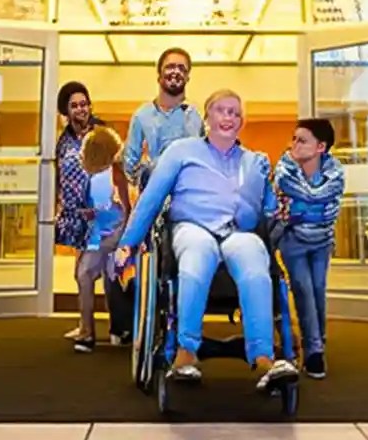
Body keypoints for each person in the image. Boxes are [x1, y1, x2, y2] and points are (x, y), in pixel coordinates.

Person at [118, 89, 300, 392]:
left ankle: (265, 359)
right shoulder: (182, 151)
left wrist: (283, 206)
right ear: (207, 118)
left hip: (237, 233)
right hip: (192, 226)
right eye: (221, 110)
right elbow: (151, 199)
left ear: (242, 122)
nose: (228, 117)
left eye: (235, 113)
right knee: (196, 256)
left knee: (256, 260)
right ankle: (185, 353)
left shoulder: (254, 162)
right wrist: (128, 242)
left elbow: (268, 209)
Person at [54, 81, 125, 343]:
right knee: (81, 272)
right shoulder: (64, 142)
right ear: (66, 111)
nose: (81, 109)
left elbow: (119, 171)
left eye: (84, 104)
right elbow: (60, 174)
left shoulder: (101, 134)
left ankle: (116, 328)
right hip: (76, 215)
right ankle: (86, 324)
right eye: (74, 105)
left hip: (102, 214)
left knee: (105, 273)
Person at [274, 118, 345, 380]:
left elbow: (320, 200)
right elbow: (314, 201)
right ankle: (313, 351)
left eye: (302, 140)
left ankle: (319, 342)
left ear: (321, 147)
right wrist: (311, 209)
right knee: (302, 289)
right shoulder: (284, 169)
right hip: (292, 239)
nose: (294, 145)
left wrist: (303, 209)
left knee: (318, 290)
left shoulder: (336, 172)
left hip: (322, 241)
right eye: (294, 139)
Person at [71, 126, 134, 353]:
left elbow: (123, 208)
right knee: (107, 278)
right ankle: (116, 330)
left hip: (108, 234)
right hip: (110, 234)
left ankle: (87, 332)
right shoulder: (107, 174)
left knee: (85, 274)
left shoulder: (111, 175)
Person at [123, 47, 203, 189]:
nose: (175, 72)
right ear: (159, 75)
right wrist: (150, 171)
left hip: (189, 201)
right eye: (170, 67)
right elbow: (129, 168)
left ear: (187, 77)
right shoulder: (141, 116)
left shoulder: (195, 117)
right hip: (153, 202)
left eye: (181, 68)